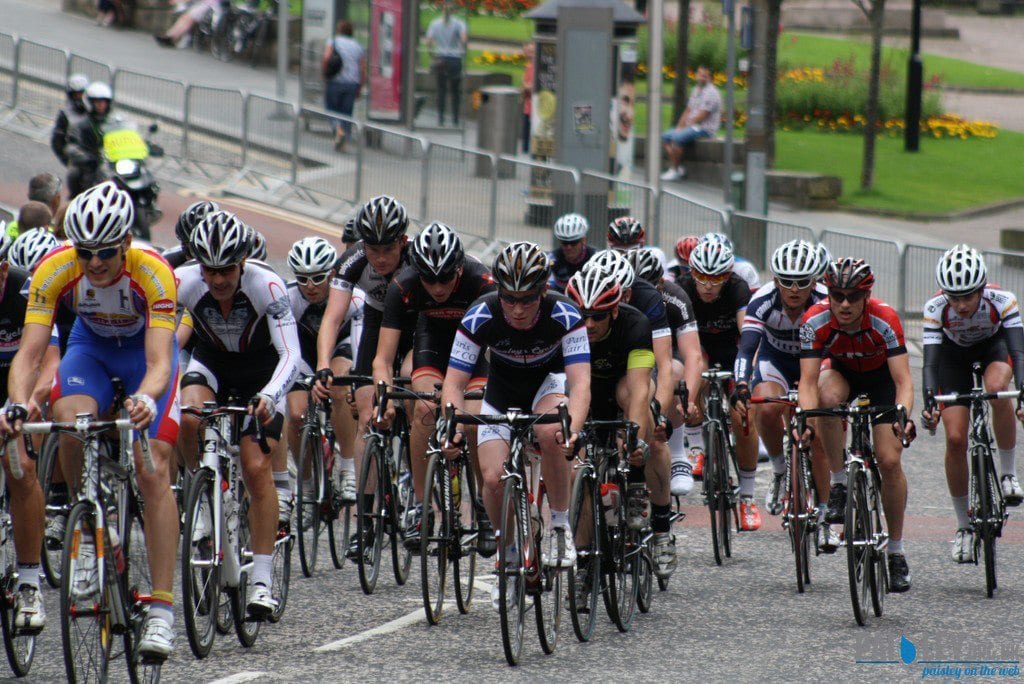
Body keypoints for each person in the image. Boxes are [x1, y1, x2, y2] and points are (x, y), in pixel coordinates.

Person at [4, 181, 182, 659]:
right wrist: (17, 403)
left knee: (153, 467)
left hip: (144, 357)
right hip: (92, 350)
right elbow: (30, 353)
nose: (96, 263)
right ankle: (88, 528)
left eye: (106, 252)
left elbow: (162, 363)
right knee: (69, 420)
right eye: (86, 252)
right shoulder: (55, 269)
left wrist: (145, 397)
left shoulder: (155, 272)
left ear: (125, 243)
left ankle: (163, 611)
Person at [440, 241, 590, 610]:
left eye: (527, 299)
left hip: (547, 386)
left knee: (550, 431)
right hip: (501, 391)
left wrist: (573, 429)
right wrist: (453, 426)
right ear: (499, 293)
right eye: (510, 299)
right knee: (492, 478)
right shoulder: (480, 314)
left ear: (543, 292)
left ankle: (558, 525)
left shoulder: (566, 314)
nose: (518, 309)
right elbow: (454, 384)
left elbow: (581, 382)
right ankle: (506, 553)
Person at [176, 211, 301, 619]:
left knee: (254, 465)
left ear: (242, 262)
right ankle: (202, 492)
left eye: (226, 269)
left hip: (262, 372)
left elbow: (291, 355)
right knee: (189, 415)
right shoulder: (186, 282)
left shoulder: (267, 285)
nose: (217, 280)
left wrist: (269, 394)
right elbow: (164, 341)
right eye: (209, 269)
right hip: (213, 362)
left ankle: (262, 579)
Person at [373, 222, 495, 553]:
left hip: (475, 354)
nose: (437, 288)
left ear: (459, 269)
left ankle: (484, 505)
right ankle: (422, 505)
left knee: (472, 420)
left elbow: (498, 347)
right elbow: (382, 359)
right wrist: (382, 397)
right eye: (430, 279)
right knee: (424, 410)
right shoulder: (405, 285)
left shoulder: (482, 282)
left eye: (445, 279)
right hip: (432, 344)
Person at [798, 258, 916, 592]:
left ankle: (896, 551)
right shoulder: (814, 319)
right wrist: (806, 420)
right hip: (842, 373)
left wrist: (903, 415)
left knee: (889, 460)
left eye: (853, 296)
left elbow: (904, 381)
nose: (845, 304)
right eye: (837, 295)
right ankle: (838, 483)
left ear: (866, 296)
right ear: (829, 294)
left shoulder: (885, 318)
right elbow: (806, 382)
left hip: (882, 381)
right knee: (825, 397)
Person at [313, 196, 413, 558]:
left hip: (417, 327)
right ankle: (366, 519)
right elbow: (333, 318)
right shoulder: (353, 261)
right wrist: (324, 363)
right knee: (367, 412)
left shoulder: (418, 262)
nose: (381, 258)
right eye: (373, 249)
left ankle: (417, 496)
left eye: (389, 249)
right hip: (375, 322)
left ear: (403, 241)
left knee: (411, 387)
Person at [920, 245, 1024, 563]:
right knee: (954, 438)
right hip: (952, 359)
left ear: (982, 289)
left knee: (996, 388)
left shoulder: (1003, 301)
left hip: (995, 347)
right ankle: (964, 528)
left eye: (968, 296)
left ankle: (1008, 474)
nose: (961, 305)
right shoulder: (936, 308)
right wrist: (929, 403)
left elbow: (1018, 353)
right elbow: (930, 364)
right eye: (954, 297)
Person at [731, 241, 834, 545]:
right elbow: (746, 348)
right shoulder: (762, 300)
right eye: (786, 281)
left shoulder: (825, 301)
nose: (793, 288)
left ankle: (827, 514)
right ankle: (779, 470)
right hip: (774, 360)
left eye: (802, 282)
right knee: (764, 407)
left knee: (814, 432)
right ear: (775, 280)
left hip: (814, 363)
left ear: (814, 281)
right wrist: (740, 385)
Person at [677, 239, 761, 529]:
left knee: (743, 415)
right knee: (695, 367)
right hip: (699, 350)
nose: (708, 285)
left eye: (716, 279)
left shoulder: (737, 287)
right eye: (701, 276)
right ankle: (697, 448)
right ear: (691, 272)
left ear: (728, 275)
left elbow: (746, 334)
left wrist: (744, 380)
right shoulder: (684, 288)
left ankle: (748, 497)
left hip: (731, 353)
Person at [284, 237, 359, 511]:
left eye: (317, 278)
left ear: (332, 274)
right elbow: (286, 348)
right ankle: (305, 482)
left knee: (339, 387)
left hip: (342, 347)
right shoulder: (287, 297)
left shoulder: (353, 297)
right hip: (304, 354)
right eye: (302, 279)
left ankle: (348, 468)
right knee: (295, 413)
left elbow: (362, 343)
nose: (310, 287)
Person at [660, 65, 722, 182]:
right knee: (665, 136)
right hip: (692, 127)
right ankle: (678, 167)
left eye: (705, 76)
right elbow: (688, 110)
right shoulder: (696, 90)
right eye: (699, 74)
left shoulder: (712, 93)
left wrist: (683, 128)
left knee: (677, 138)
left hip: (704, 129)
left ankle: (674, 170)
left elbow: (702, 116)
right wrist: (679, 126)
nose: (701, 78)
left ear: (710, 78)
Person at [65, 82, 113, 198]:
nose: (101, 105)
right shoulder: (81, 124)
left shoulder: (113, 122)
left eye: (104, 102)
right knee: (75, 173)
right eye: (98, 102)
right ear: (90, 103)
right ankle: (77, 201)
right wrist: (85, 157)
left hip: (112, 161)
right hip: (93, 163)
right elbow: (71, 145)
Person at [323, 21, 365, 153]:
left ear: (339, 30)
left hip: (335, 81)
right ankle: (342, 144)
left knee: (331, 108)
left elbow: (326, 57)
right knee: (346, 113)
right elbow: (362, 68)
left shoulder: (334, 42)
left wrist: (324, 72)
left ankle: (337, 129)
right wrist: (360, 86)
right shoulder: (358, 46)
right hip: (352, 84)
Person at [424, 2, 467, 127]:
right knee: (455, 91)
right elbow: (463, 39)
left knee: (441, 89)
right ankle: (455, 119)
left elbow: (428, 41)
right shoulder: (459, 23)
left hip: (440, 58)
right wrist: (460, 48)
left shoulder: (435, 23)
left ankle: (441, 118)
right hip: (454, 58)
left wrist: (432, 53)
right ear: (453, 10)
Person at [548, 213, 595, 294]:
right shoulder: (552, 259)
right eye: (564, 242)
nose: (569, 247)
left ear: (583, 240)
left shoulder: (594, 258)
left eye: (573, 242)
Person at [51, 75, 89, 169]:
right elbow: (57, 141)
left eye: (83, 94)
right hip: (79, 162)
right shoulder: (66, 114)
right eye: (77, 95)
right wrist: (68, 161)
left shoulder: (95, 112)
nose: (81, 98)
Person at [155, 0, 220, 47]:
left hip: (212, 5)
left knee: (188, 17)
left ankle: (172, 37)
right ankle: (170, 35)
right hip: (206, 4)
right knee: (185, 17)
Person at [520, 41, 534, 154]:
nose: (528, 54)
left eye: (531, 51)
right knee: (525, 132)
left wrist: (525, 86)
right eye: (527, 51)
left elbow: (532, 86)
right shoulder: (528, 67)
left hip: (534, 108)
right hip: (527, 106)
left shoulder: (536, 67)